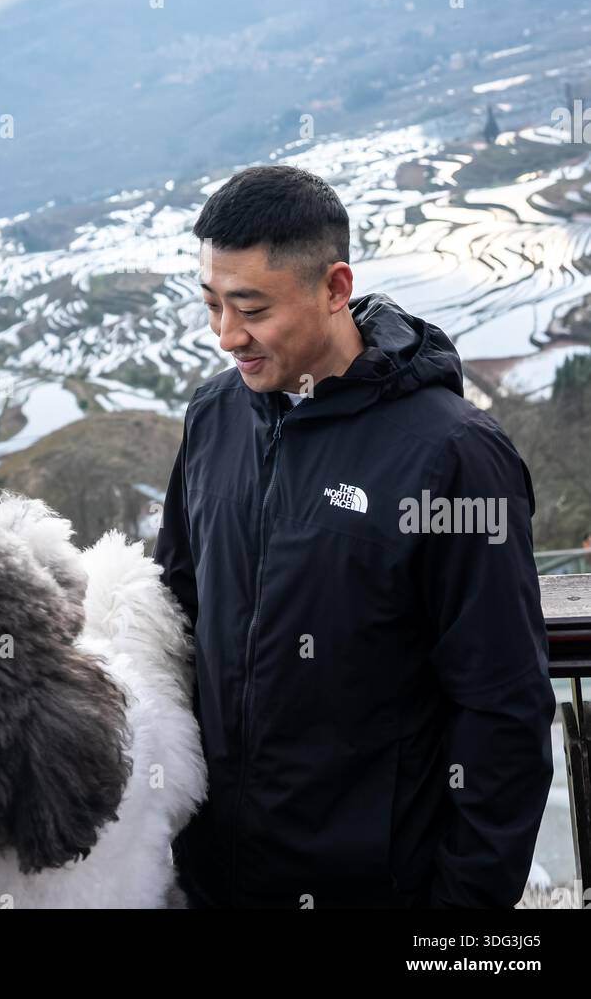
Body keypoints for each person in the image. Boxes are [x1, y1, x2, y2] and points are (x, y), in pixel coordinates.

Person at [154, 163, 555, 909]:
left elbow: (504, 712)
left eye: (250, 308)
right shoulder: (213, 418)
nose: (224, 335)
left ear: (334, 289)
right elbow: (172, 615)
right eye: (211, 304)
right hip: (211, 885)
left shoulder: (455, 457)